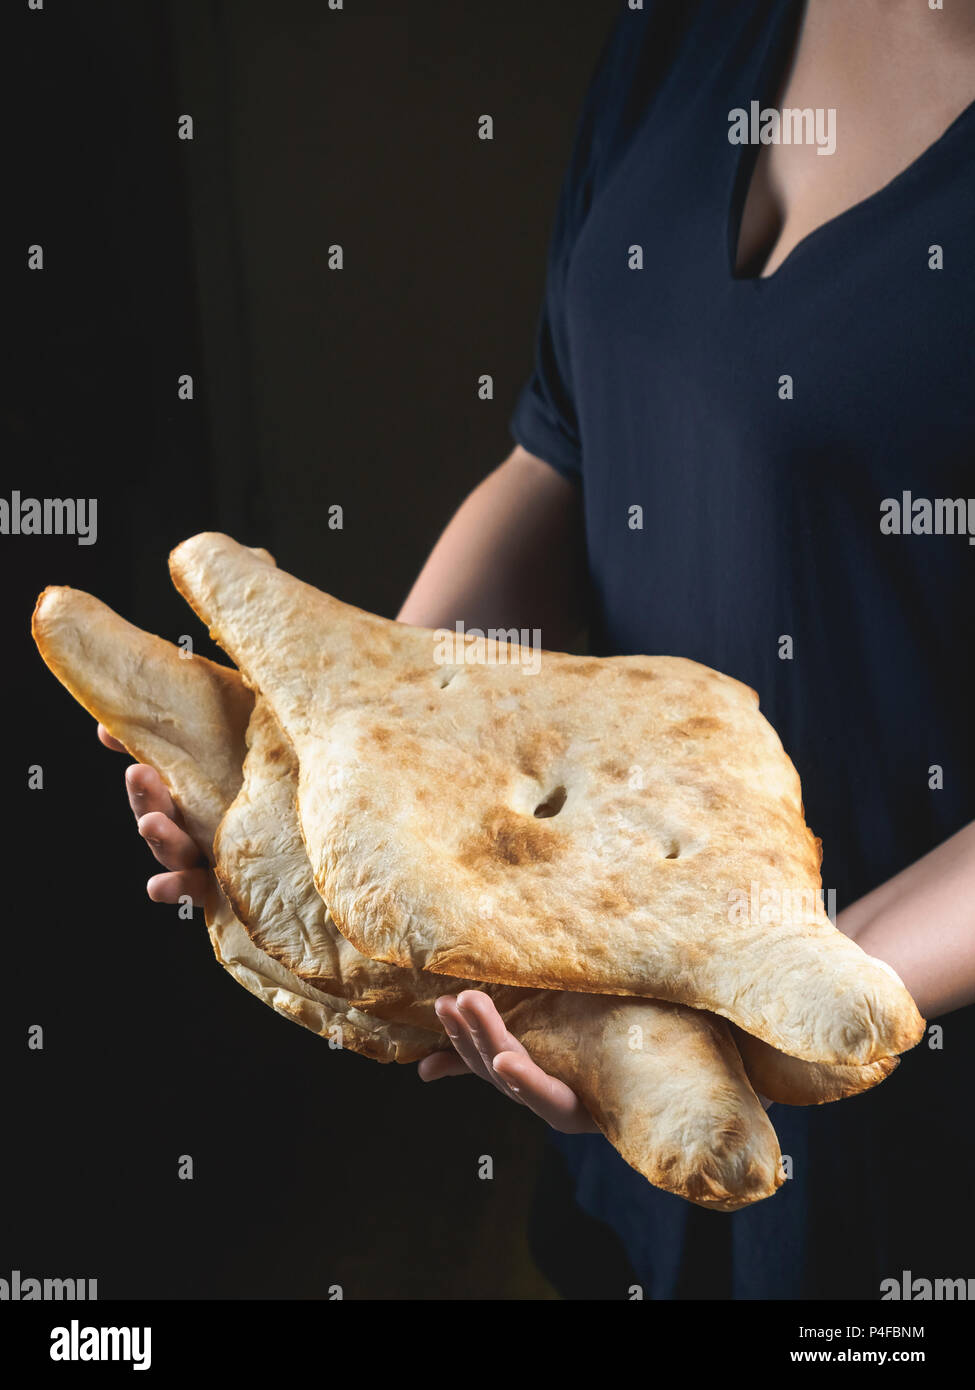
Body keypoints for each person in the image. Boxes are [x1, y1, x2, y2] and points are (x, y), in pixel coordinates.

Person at [100, 0, 975, 1297]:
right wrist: (362, 763)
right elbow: (561, 456)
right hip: (615, 1083)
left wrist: (747, 1001)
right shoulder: (690, 33)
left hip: (901, 1139)